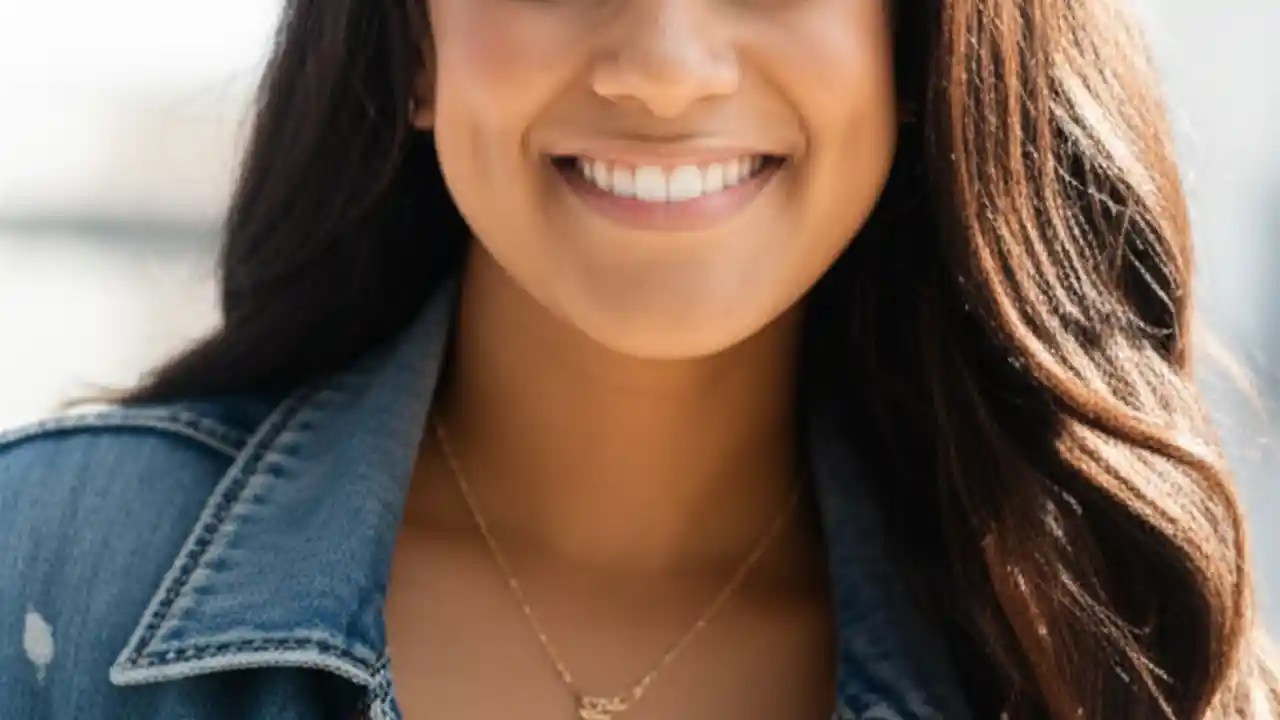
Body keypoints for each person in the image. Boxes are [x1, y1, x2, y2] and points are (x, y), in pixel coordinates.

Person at [1, 0, 1276, 717]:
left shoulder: (1097, 656)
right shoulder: (44, 580)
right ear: (409, 46)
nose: (664, 70)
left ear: (917, 44)